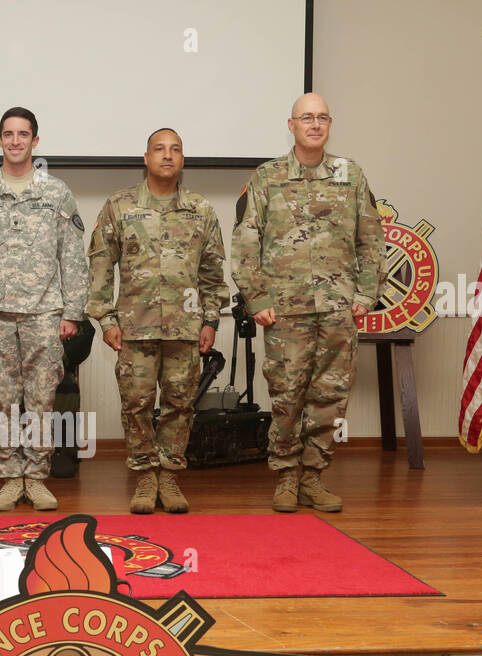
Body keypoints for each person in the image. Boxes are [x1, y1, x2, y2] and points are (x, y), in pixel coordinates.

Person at [231, 92, 383, 513]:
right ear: (291, 124)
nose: (314, 125)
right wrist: (256, 297)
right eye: (306, 118)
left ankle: (313, 476)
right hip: (285, 310)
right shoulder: (266, 178)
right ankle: (285, 476)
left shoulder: (351, 175)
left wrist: (366, 293)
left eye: (321, 118)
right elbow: (246, 241)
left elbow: (371, 238)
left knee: (330, 396)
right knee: (286, 394)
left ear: (329, 124)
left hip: (338, 308)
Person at [86, 128, 227, 514]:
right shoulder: (120, 205)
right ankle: (145, 476)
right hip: (134, 328)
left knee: (180, 405)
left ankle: (170, 476)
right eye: (159, 149)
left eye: (175, 149)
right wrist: (105, 318)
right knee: (137, 404)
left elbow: (213, 271)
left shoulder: (201, 209)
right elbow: (100, 264)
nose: (167, 155)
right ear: (145, 158)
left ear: (183, 159)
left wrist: (210, 320)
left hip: (186, 327)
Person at [0, 107, 88, 512]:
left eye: (23, 134)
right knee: (3, 400)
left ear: (36, 141)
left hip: (45, 313)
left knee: (42, 400)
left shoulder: (56, 193)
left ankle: (37, 477)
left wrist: (72, 312)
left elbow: (73, 257)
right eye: (8, 134)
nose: (15, 141)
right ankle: (10, 477)